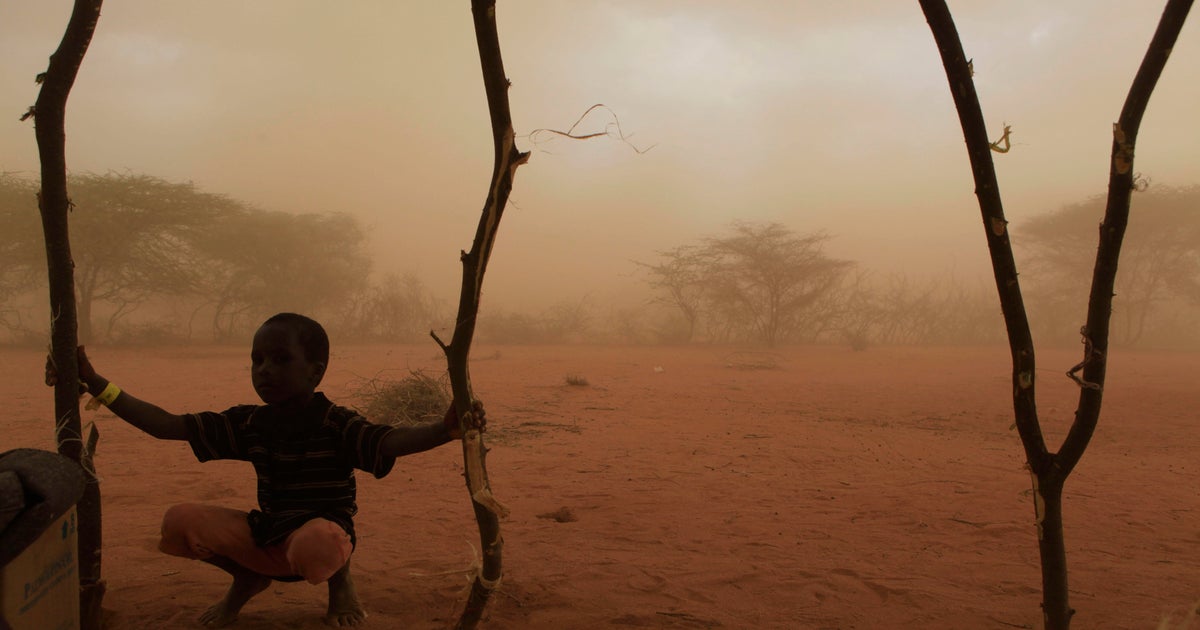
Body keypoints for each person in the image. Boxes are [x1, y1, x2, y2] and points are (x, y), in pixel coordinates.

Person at [45, 312, 479, 628]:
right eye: (257, 360)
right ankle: (247, 577)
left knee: (321, 537)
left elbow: (387, 441)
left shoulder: (337, 423)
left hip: (317, 542)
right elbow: (167, 426)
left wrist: (444, 431)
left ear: (315, 371)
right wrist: (98, 384)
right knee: (180, 520)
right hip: (269, 533)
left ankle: (340, 583)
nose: (264, 370)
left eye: (279, 359)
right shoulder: (250, 423)